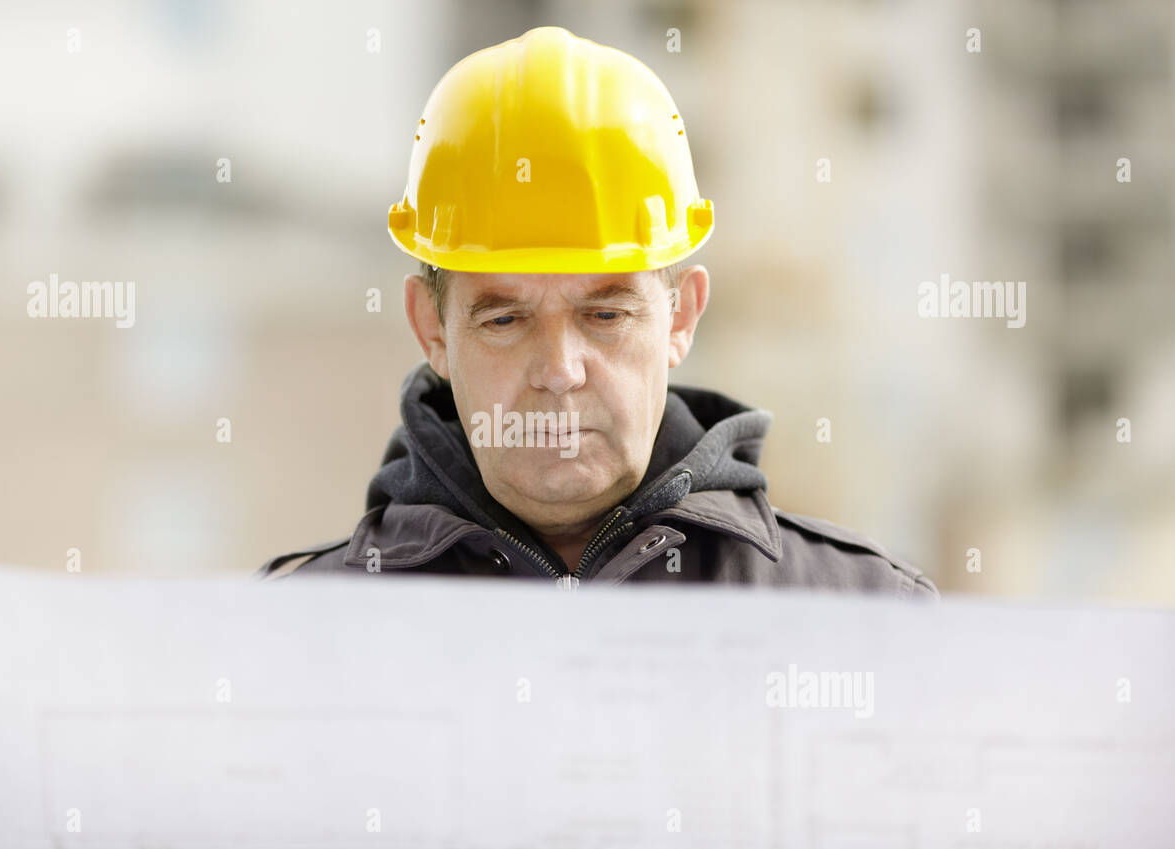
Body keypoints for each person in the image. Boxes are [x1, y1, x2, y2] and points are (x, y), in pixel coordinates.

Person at [261, 26, 937, 597]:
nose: (559, 372)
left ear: (680, 318)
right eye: (504, 319)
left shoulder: (861, 617)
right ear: (431, 328)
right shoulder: (299, 637)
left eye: (604, 316)